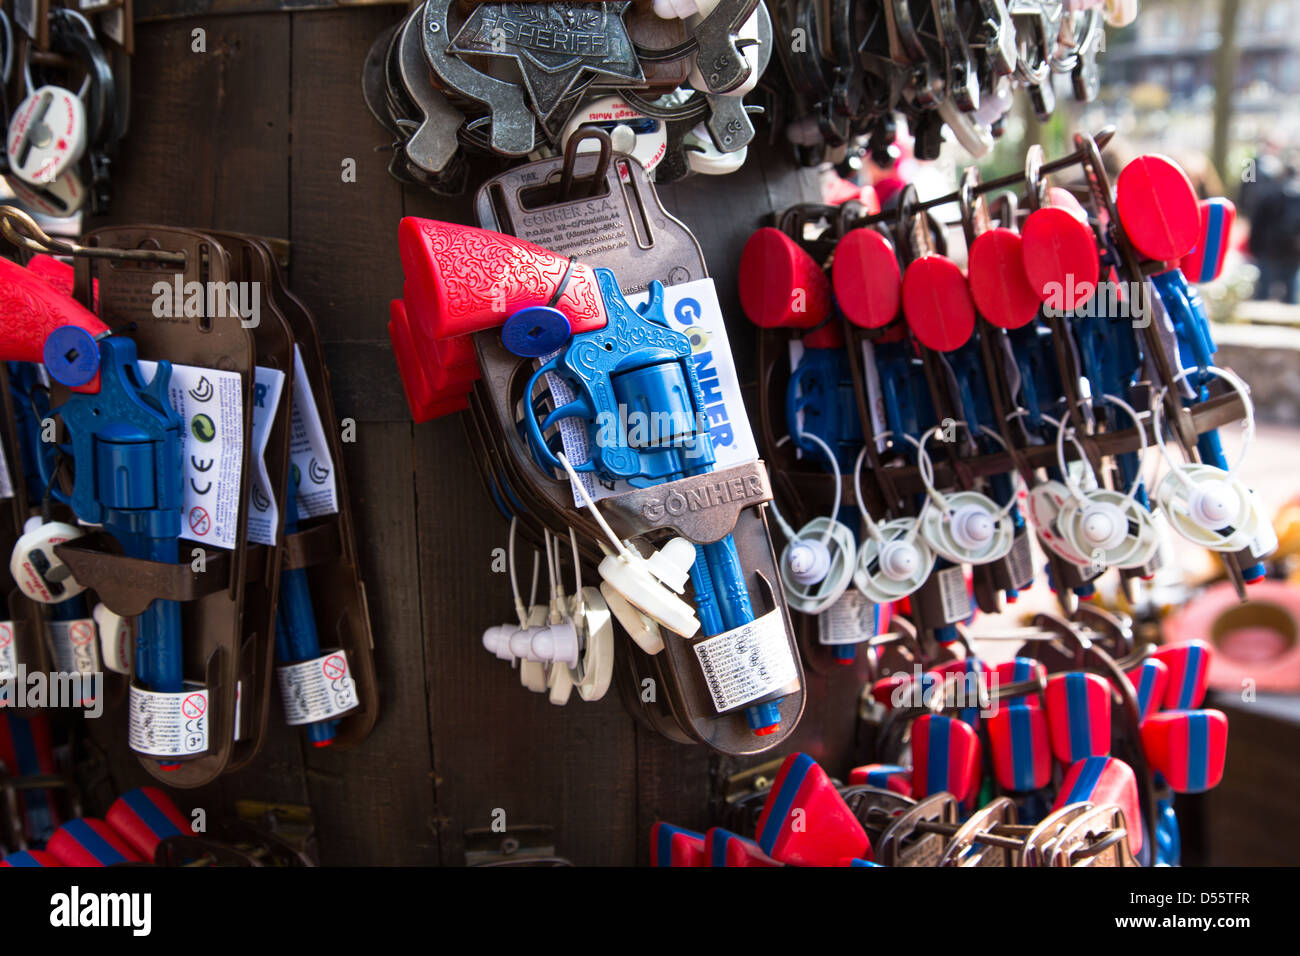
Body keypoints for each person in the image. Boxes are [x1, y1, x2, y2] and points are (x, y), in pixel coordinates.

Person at [1248, 162, 1300, 305]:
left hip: (1268, 249)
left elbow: (1258, 222)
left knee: (1263, 291)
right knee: (1291, 292)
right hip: (1294, 251)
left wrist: (1253, 246)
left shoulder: (1269, 194)